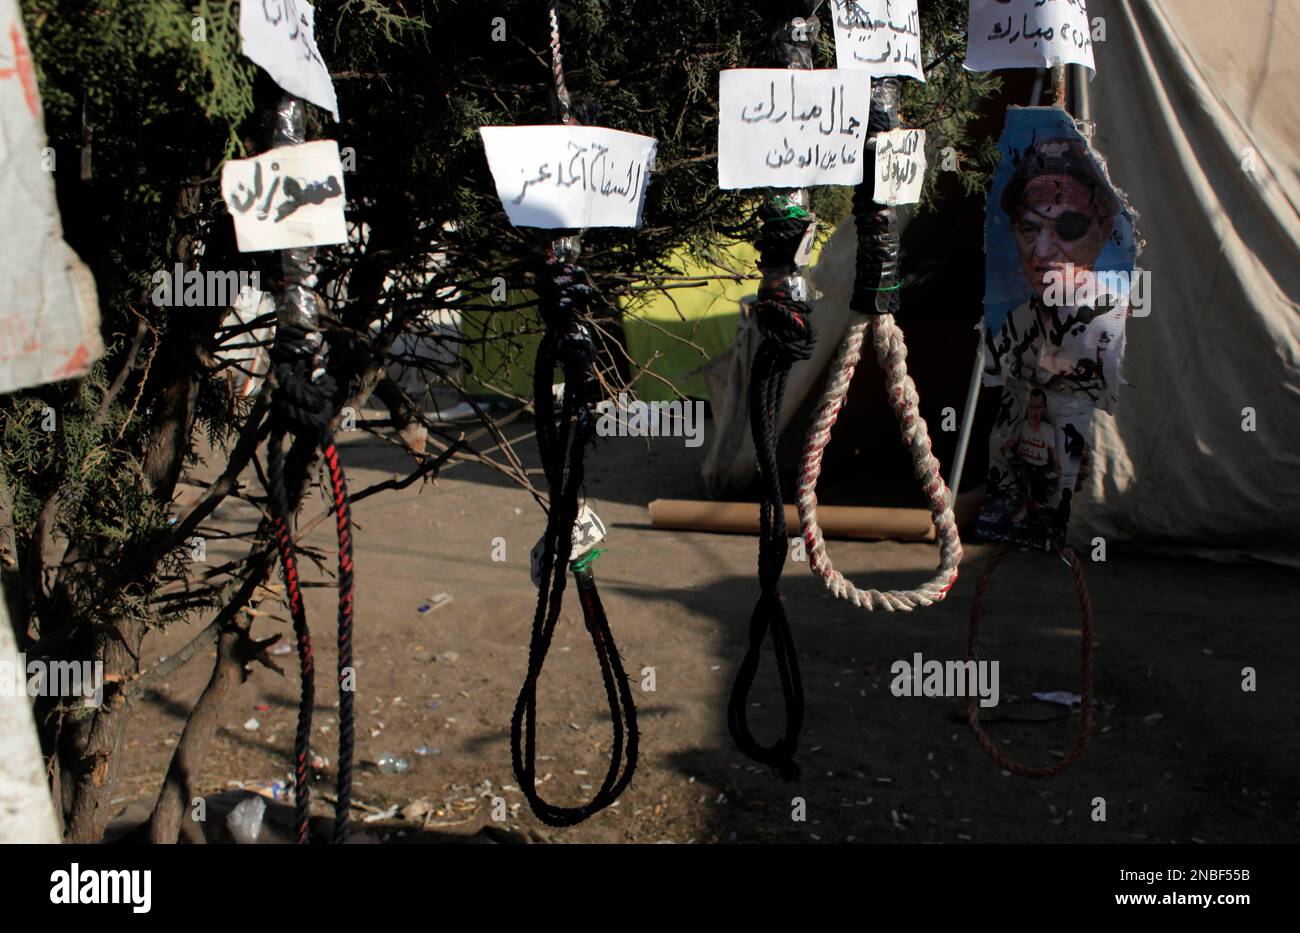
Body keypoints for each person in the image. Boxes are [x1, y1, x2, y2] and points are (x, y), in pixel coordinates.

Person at [985, 136, 1128, 411]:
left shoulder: (1111, 329)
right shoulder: (1018, 323)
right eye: (1029, 229)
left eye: (1069, 227)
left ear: (1103, 231)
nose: (1041, 251)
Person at [1000, 388, 1062, 525]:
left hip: (1041, 467)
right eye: (1032, 407)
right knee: (1024, 479)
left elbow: (1053, 451)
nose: (1035, 411)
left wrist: (1058, 465)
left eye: (1039, 407)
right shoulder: (1022, 426)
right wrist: (1004, 448)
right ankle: (1023, 508)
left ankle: (1035, 508)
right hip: (1024, 463)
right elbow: (1012, 441)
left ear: (1044, 408)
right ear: (1028, 408)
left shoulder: (1048, 430)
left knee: (1040, 489)